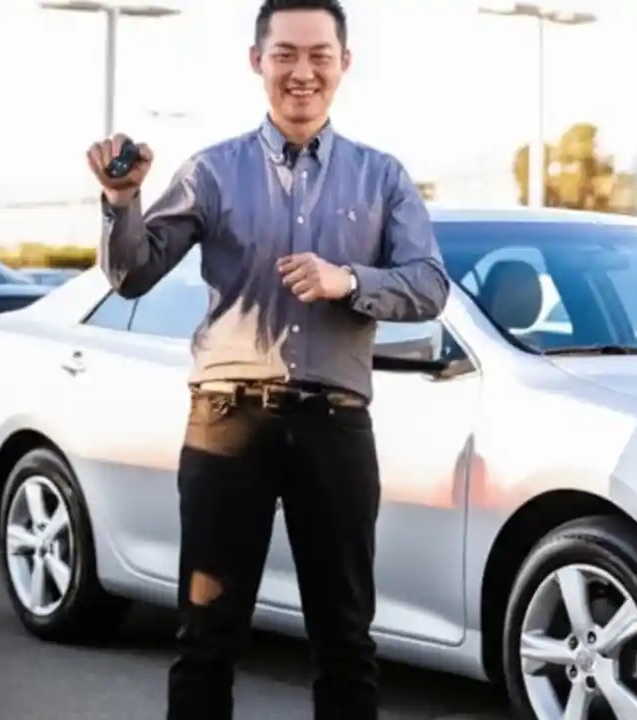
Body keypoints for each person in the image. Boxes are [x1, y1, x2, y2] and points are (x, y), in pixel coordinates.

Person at [84, 0, 449, 717]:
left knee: (345, 639)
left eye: (319, 54)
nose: (302, 72)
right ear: (258, 61)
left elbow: (430, 285)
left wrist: (351, 281)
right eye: (285, 53)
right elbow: (132, 274)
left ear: (345, 63)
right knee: (206, 636)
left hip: (335, 427)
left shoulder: (383, 178)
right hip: (227, 423)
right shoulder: (212, 172)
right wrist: (121, 200)